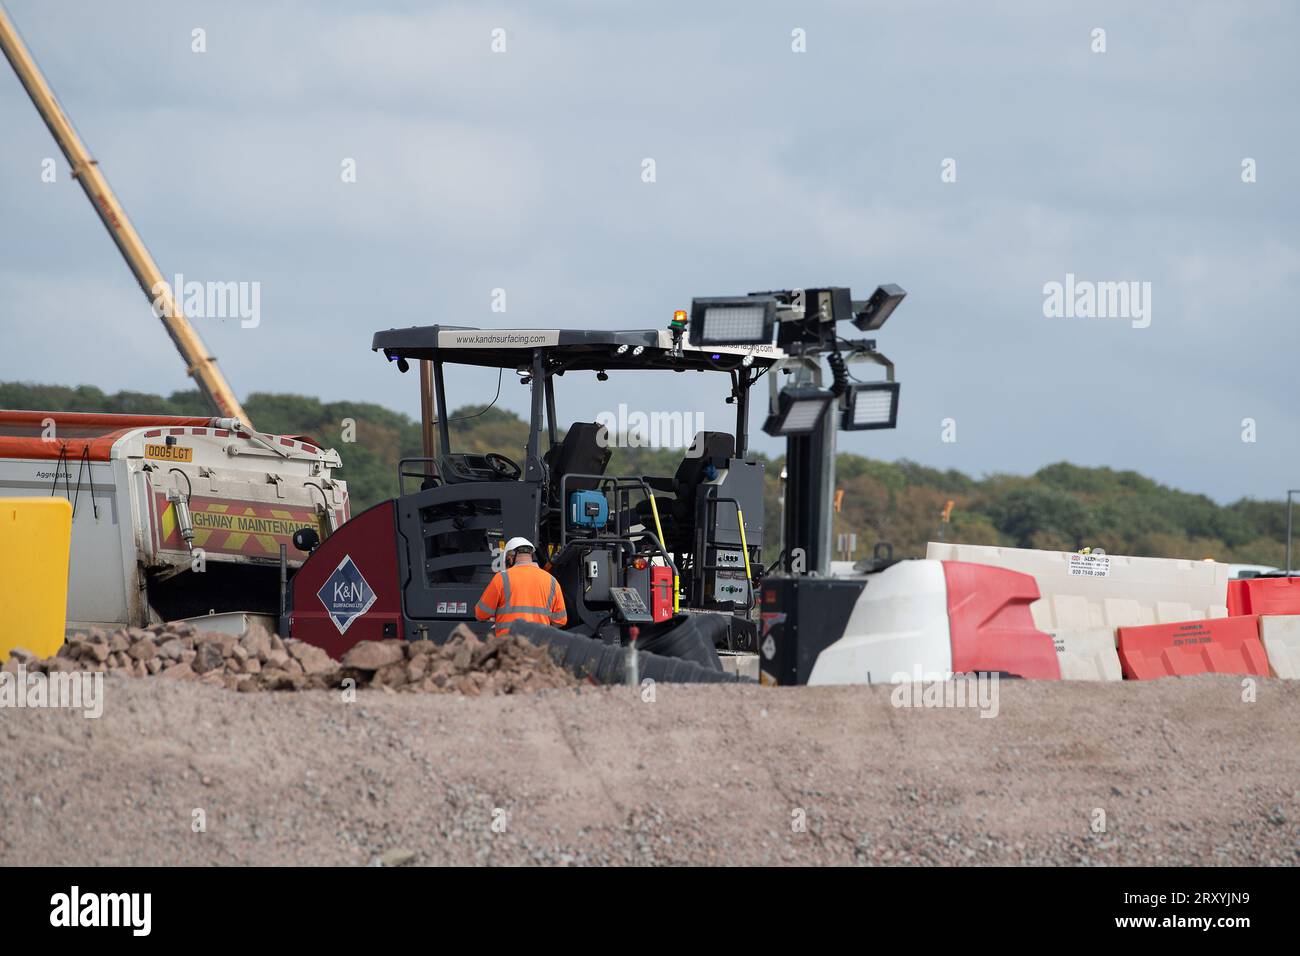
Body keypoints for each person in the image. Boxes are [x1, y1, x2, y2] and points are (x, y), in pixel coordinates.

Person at [475, 536, 567, 636]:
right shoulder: (551, 581)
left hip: (510, 646)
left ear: (510, 558)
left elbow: (481, 614)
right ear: (530, 556)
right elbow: (560, 620)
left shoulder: (502, 578)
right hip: (538, 647)